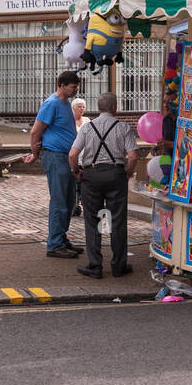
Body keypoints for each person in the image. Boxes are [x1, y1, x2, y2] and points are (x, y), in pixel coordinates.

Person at [68, 91, 139, 278]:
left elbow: (72, 154)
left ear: (98, 108)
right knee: (118, 220)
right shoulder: (123, 127)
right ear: (114, 107)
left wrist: (76, 172)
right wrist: (127, 173)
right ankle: (118, 265)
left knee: (92, 220)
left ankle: (95, 265)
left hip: (91, 175)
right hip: (116, 174)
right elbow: (132, 156)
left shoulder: (87, 127)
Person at [29, 71, 82, 258]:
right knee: (59, 201)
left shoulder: (65, 104)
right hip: (56, 157)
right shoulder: (51, 104)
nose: (76, 90)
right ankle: (54, 244)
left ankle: (61, 237)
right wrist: (34, 153)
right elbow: (35, 132)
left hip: (65, 157)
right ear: (62, 85)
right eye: (73, 87)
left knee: (68, 200)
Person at [70, 98, 91, 217]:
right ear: (73, 108)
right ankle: (74, 206)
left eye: (83, 107)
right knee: (74, 182)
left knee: (84, 182)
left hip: (85, 155)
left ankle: (85, 205)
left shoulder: (87, 121)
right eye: (79, 107)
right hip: (73, 155)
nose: (82, 109)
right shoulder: (69, 121)